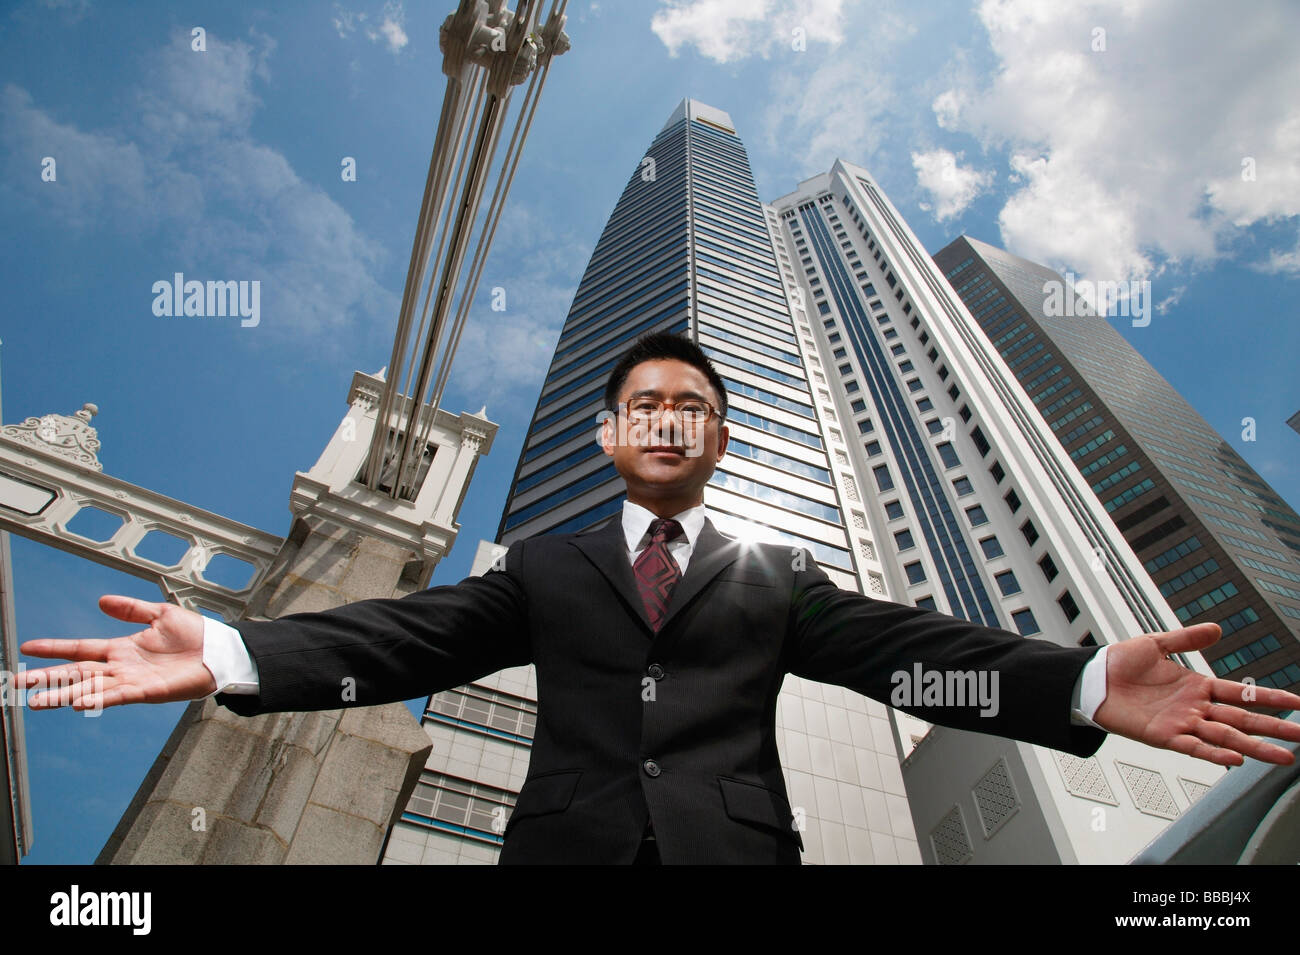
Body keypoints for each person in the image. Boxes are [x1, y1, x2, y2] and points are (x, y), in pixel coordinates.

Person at [19, 332, 1300, 864]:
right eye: (645, 404)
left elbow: (901, 653)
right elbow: (411, 635)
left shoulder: (772, 578)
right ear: (609, 432)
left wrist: (1078, 681)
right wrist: (235, 650)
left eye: (692, 406)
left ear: (719, 439)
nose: (668, 419)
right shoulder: (546, 568)